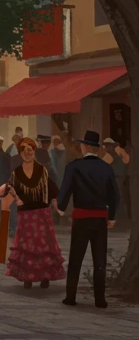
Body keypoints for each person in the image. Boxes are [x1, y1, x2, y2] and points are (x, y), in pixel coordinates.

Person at [54, 130, 119, 309]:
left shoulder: (74, 167)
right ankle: (100, 299)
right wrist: (112, 217)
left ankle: (70, 296)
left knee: (76, 258)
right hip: (100, 218)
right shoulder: (106, 168)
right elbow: (114, 195)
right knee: (100, 260)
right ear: (96, 148)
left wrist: (60, 207)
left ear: (84, 146)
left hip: (81, 217)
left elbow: (65, 190)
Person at [0, 137, 64, 290]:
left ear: (34, 151)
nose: (27, 152)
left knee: (43, 244)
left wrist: (57, 205)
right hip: (26, 214)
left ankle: (45, 276)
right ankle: (28, 277)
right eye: (24, 150)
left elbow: (52, 189)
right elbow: (9, 190)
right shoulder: (17, 173)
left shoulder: (42, 171)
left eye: (30, 149)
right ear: (20, 153)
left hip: (42, 213)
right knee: (27, 246)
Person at [104, 138, 130, 221]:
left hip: (119, 176)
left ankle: (123, 216)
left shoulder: (117, 152)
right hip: (116, 176)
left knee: (120, 196)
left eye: (107, 145)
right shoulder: (111, 154)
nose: (106, 147)